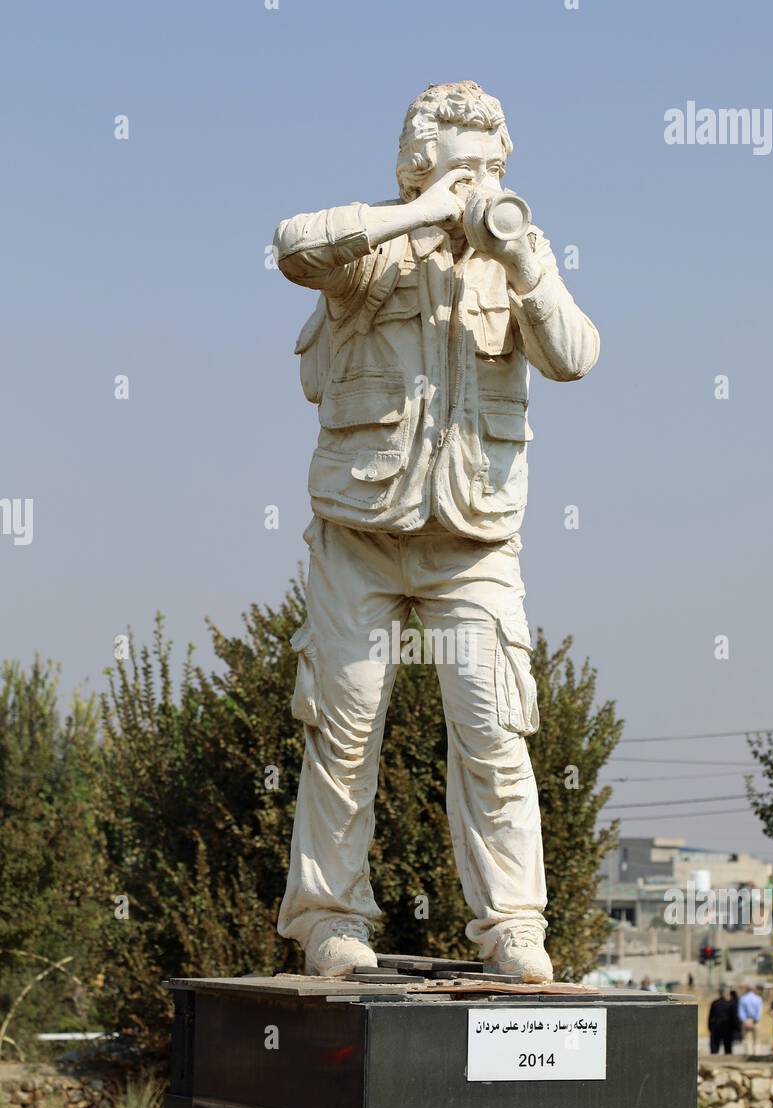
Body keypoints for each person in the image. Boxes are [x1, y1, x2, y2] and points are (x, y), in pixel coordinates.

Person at [272, 81, 600, 979]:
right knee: (343, 735)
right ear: (417, 169)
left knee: (496, 734)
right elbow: (291, 247)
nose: (481, 184)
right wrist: (417, 217)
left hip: (473, 540)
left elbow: (574, 356)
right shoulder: (369, 246)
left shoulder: (519, 255)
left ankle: (513, 927)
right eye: (463, 169)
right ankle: (329, 920)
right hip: (360, 532)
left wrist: (523, 262)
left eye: (492, 168)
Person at [708, 986, 735, 1055]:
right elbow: (733, 1017)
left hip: (716, 1027)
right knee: (728, 1048)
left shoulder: (715, 1003)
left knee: (714, 1048)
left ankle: (714, 1059)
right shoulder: (730, 1004)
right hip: (727, 1028)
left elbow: (710, 1017)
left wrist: (710, 1027)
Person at [738, 983, 763, 1055]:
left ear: (746, 989)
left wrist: (745, 1021)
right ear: (753, 989)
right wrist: (754, 1021)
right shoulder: (758, 999)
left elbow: (741, 1012)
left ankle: (749, 1056)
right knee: (757, 1040)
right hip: (755, 1022)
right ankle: (757, 1056)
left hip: (746, 1021)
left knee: (747, 1040)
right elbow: (759, 1012)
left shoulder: (742, 999)